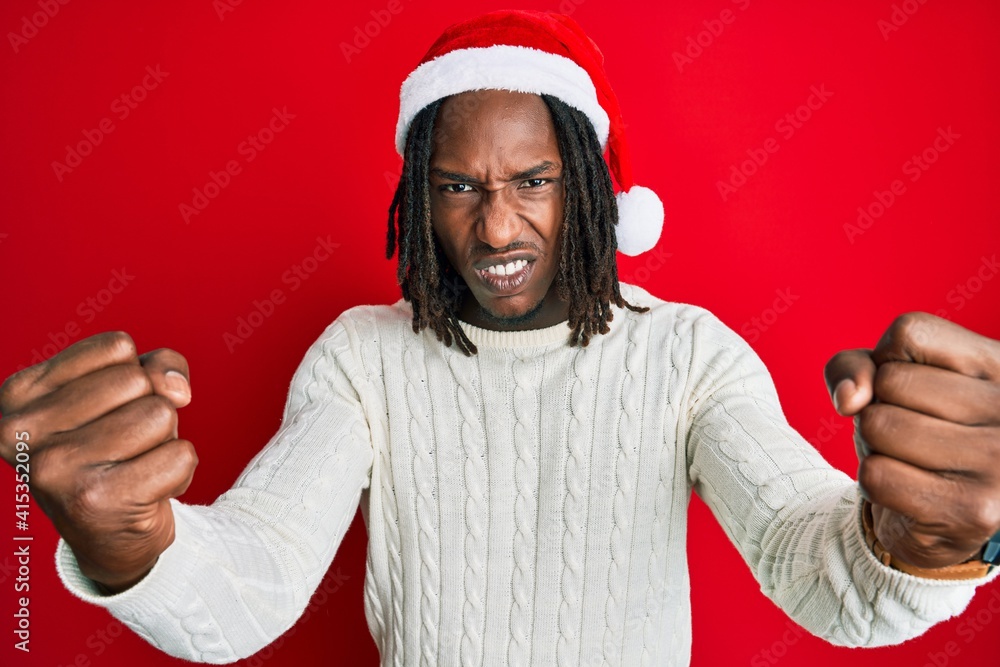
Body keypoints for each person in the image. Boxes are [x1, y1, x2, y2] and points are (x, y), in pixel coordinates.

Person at [2, 9, 999, 666]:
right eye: (457, 187)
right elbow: (251, 583)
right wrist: (134, 542)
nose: (494, 226)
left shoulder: (686, 353)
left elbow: (806, 560)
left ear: (592, 187)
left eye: (532, 181)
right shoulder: (362, 356)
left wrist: (914, 549)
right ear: (417, 201)